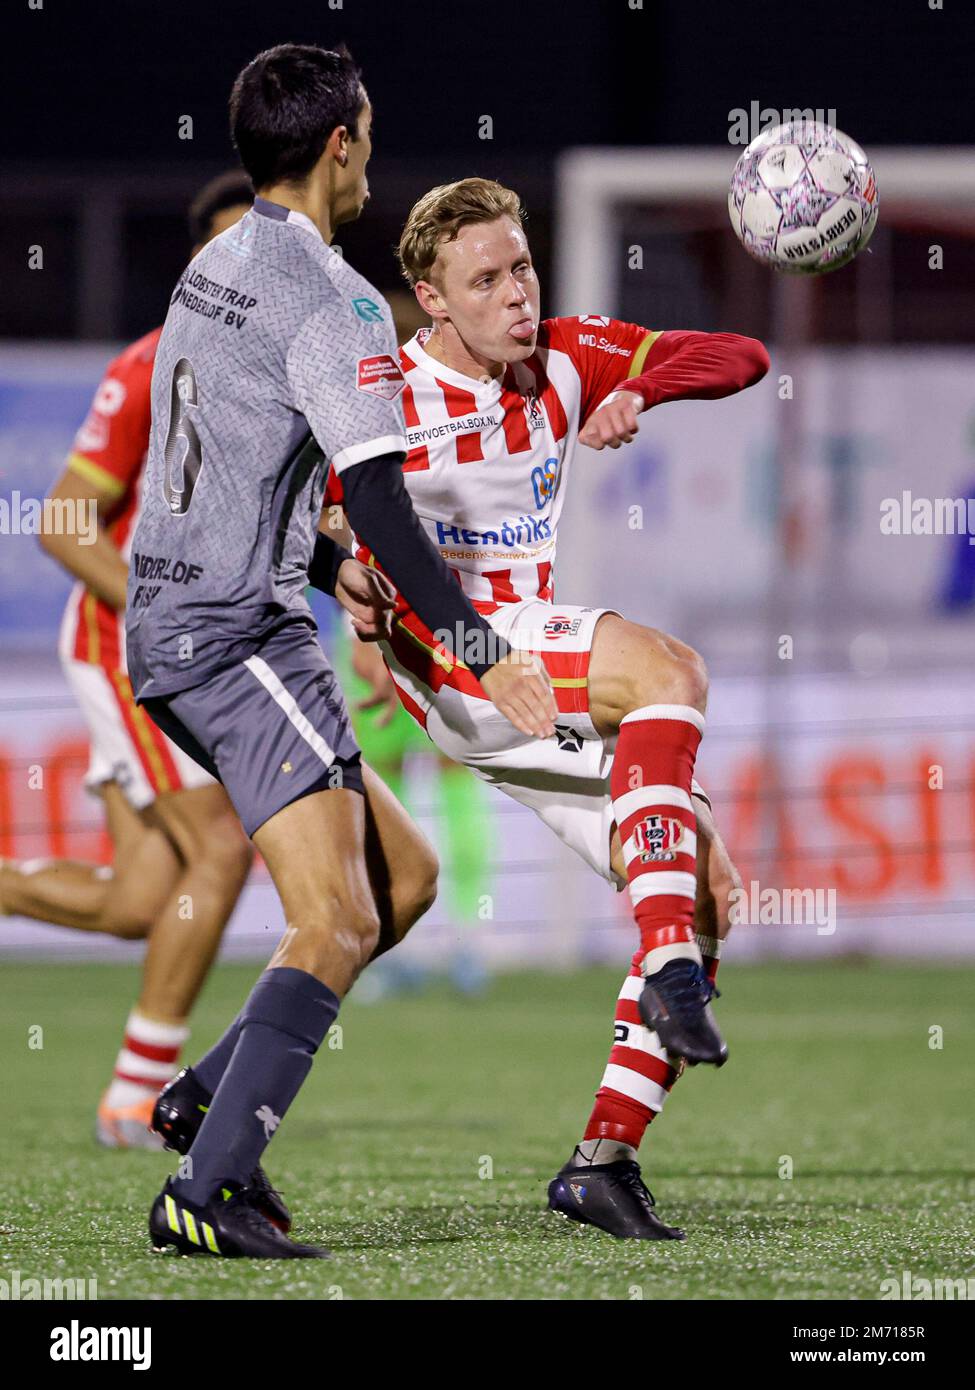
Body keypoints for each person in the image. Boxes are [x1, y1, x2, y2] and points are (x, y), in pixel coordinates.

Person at [124, 46, 556, 1259]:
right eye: (368, 129)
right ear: (342, 147)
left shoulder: (214, 262)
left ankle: (205, 1098)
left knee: (400, 883)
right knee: (339, 920)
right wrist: (479, 651)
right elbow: (380, 502)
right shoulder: (341, 303)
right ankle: (203, 1192)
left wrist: (332, 574)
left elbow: (236, 475)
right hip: (231, 635)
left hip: (189, 618)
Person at [328, 176, 769, 1239]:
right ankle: (662, 959)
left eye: (521, 265)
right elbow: (353, 538)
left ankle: (601, 1162)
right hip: (462, 668)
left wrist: (645, 389)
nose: (518, 294)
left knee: (709, 889)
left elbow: (742, 356)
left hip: (539, 676)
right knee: (670, 670)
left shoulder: (566, 353)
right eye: (487, 280)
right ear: (432, 300)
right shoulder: (385, 397)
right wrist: (362, 587)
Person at [0, 172, 256, 1149]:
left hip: (190, 644)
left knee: (139, 901)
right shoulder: (155, 365)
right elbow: (64, 522)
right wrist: (167, 609)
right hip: (126, 640)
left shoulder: (272, 375)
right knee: (223, 849)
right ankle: (138, 1095)